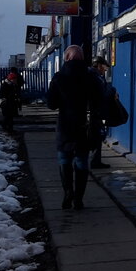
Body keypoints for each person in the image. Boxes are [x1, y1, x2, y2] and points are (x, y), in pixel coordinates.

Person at [46, 45, 103, 210]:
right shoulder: (90, 77)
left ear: (66, 58)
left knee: (64, 159)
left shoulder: (59, 77)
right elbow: (98, 101)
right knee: (81, 161)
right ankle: (78, 198)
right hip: (84, 126)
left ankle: (68, 192)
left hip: (65, 126)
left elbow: (51, 104)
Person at [88, 56, 112, 169]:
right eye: (104, 67)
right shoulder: (95, 77)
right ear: (98, 65)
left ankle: (96, 160)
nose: (105, 70)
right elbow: (101, 93)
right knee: (96, 136)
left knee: (97, 136)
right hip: (94, 112)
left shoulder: (93, 75)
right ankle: (94, 161)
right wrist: (112, 91)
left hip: (94, 111)